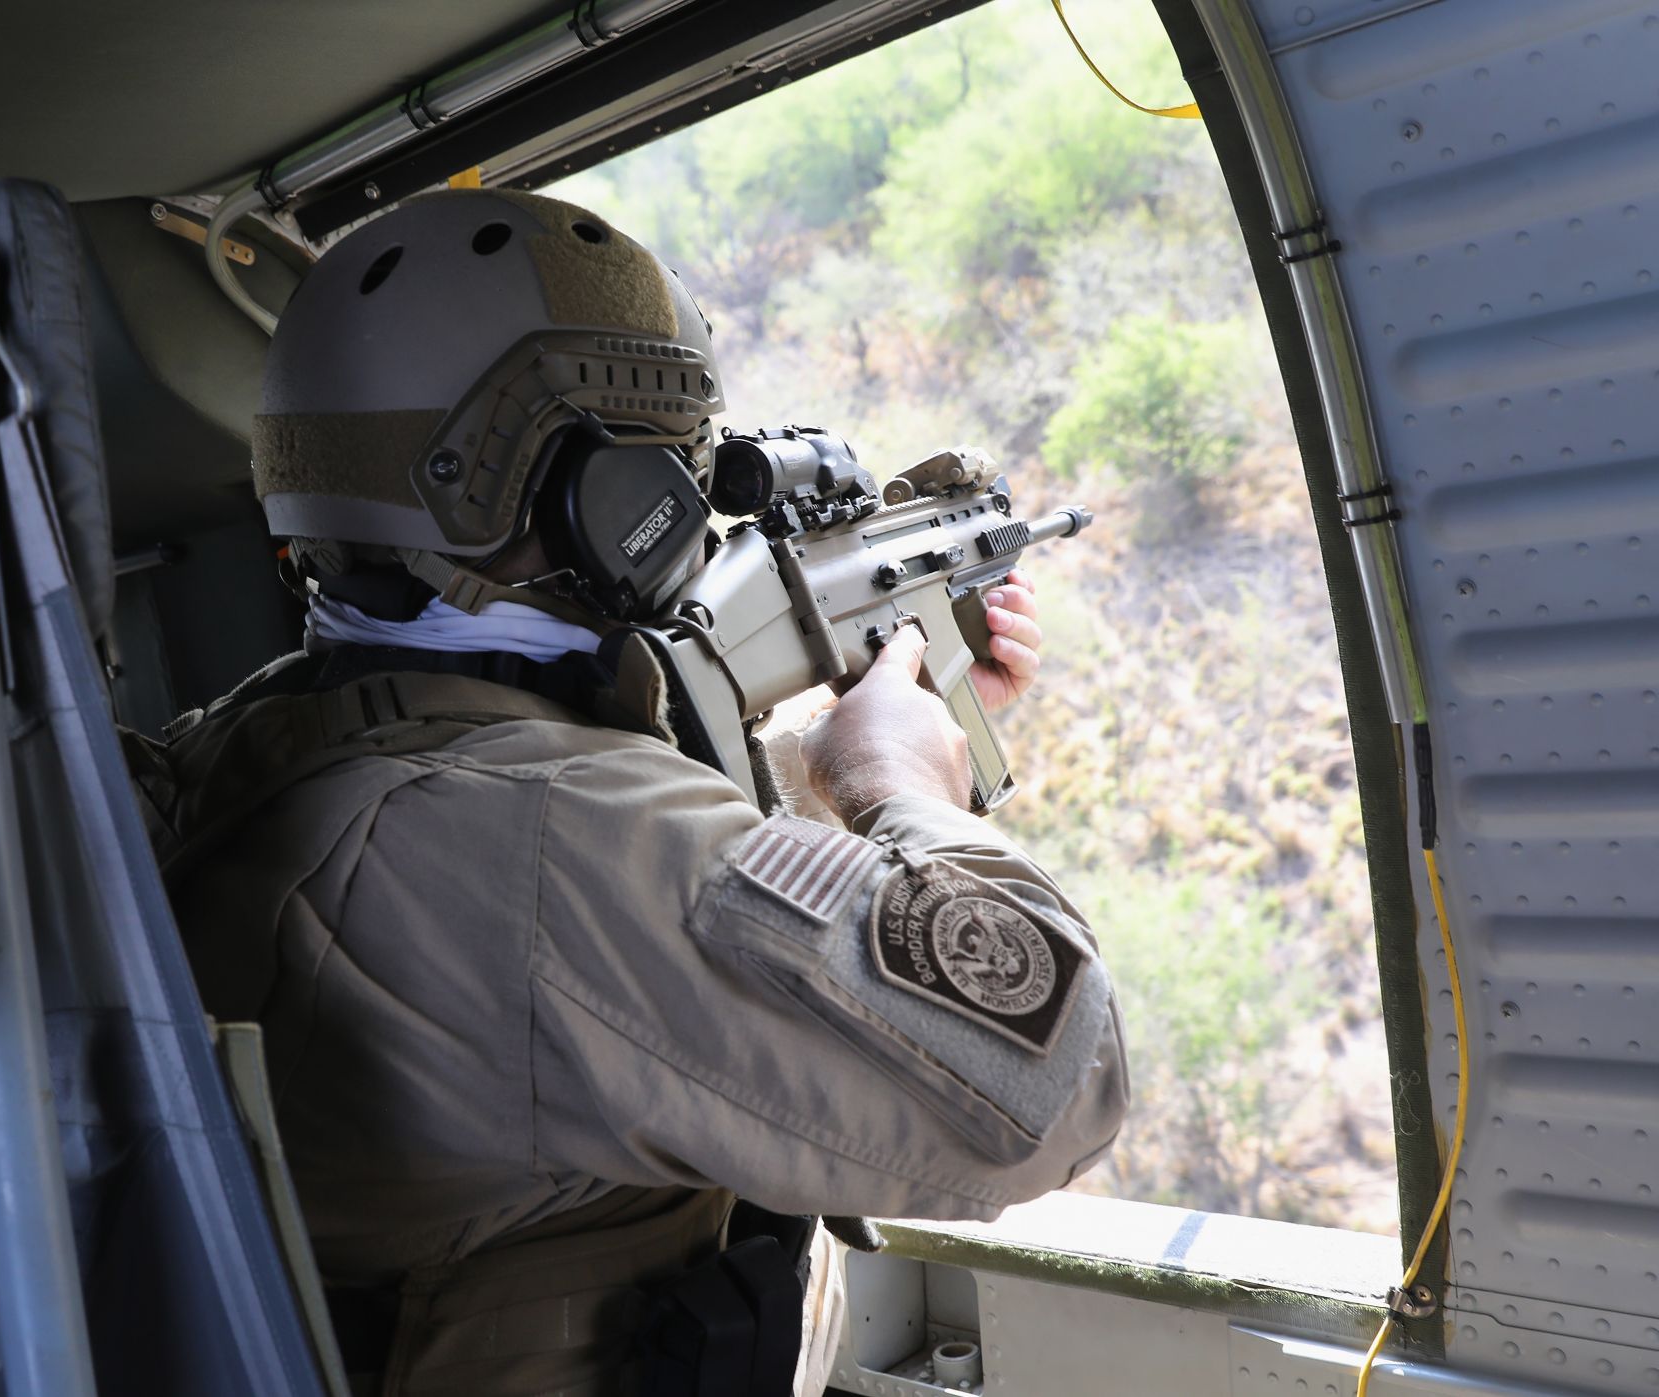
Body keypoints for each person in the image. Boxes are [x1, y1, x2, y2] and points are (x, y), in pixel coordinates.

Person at [138, 188, 1128, 1397]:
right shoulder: (548, 837)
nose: (693, 501)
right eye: (677, 460)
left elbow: (619, 920)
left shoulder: (263, 738)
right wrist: (901, 784)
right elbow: (1053, 1086)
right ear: (596, 496)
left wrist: (808, 766)